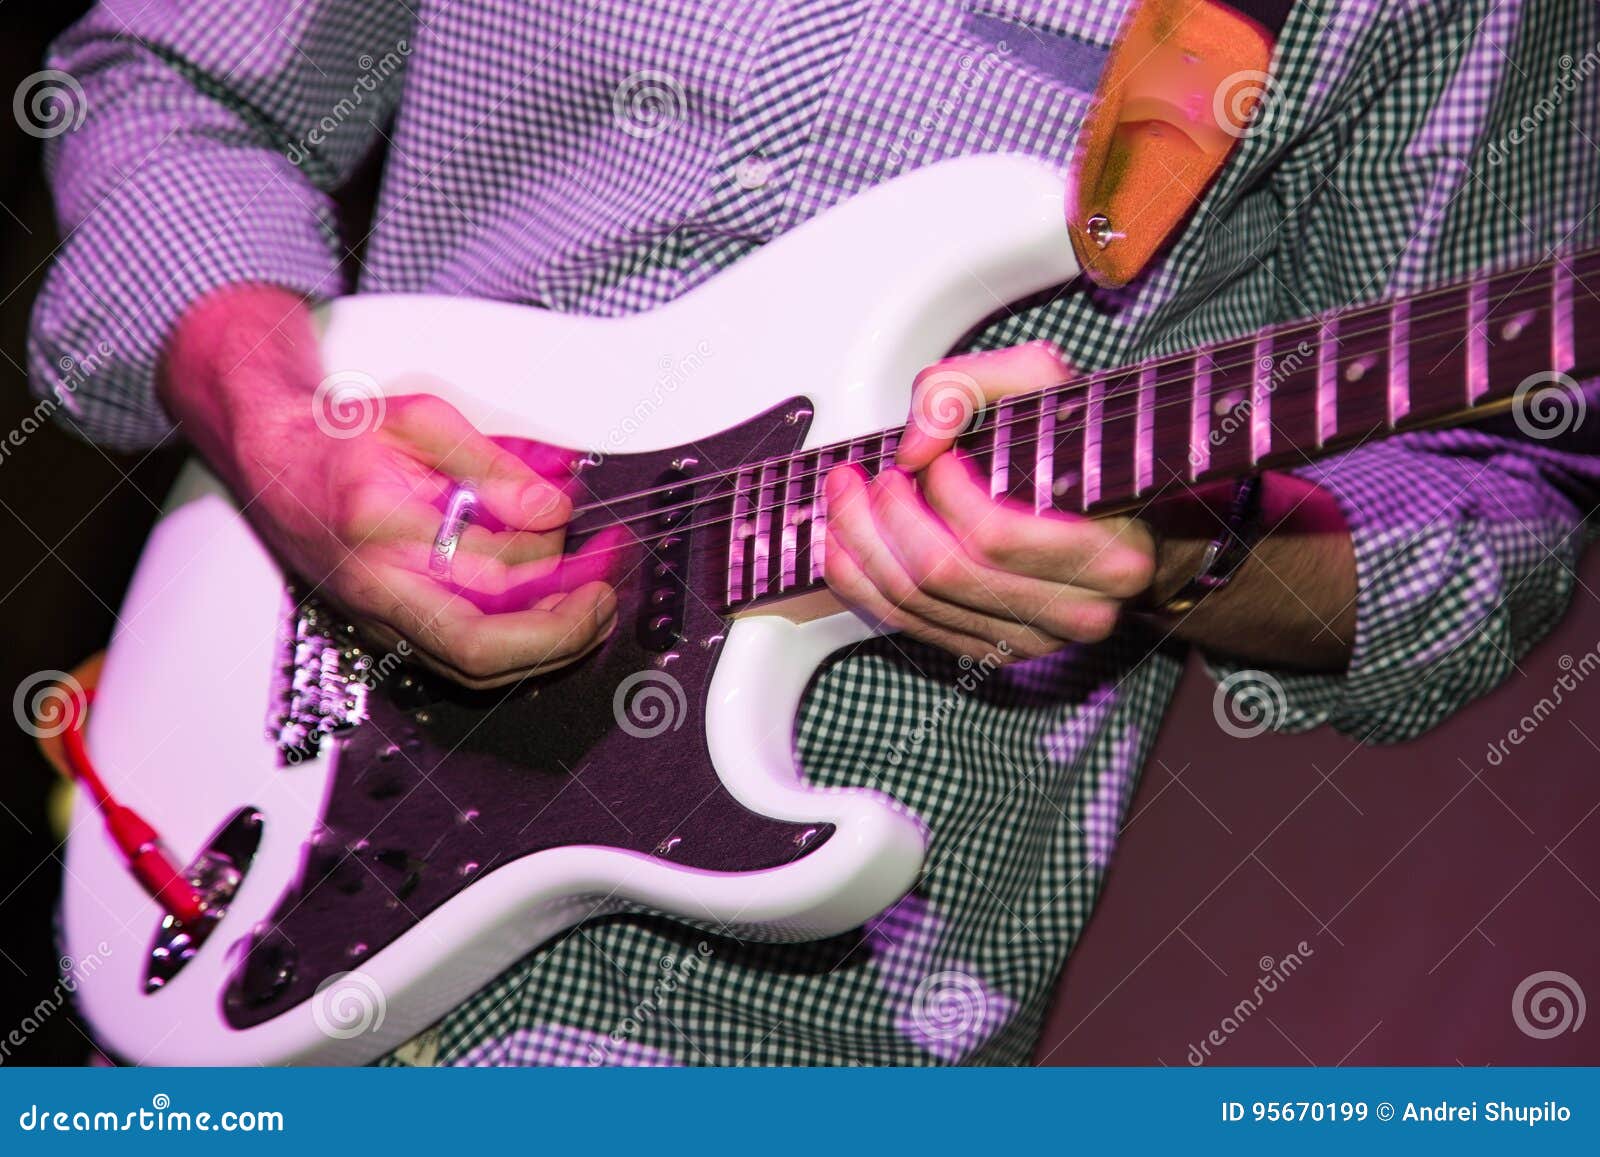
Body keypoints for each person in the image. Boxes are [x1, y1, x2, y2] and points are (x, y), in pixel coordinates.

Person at [29, 0, 1599, 1065]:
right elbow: (173, 76)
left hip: (789, 1028)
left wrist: (1201, 548)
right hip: (266, 810)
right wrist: (283, 423)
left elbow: (1495, 486)